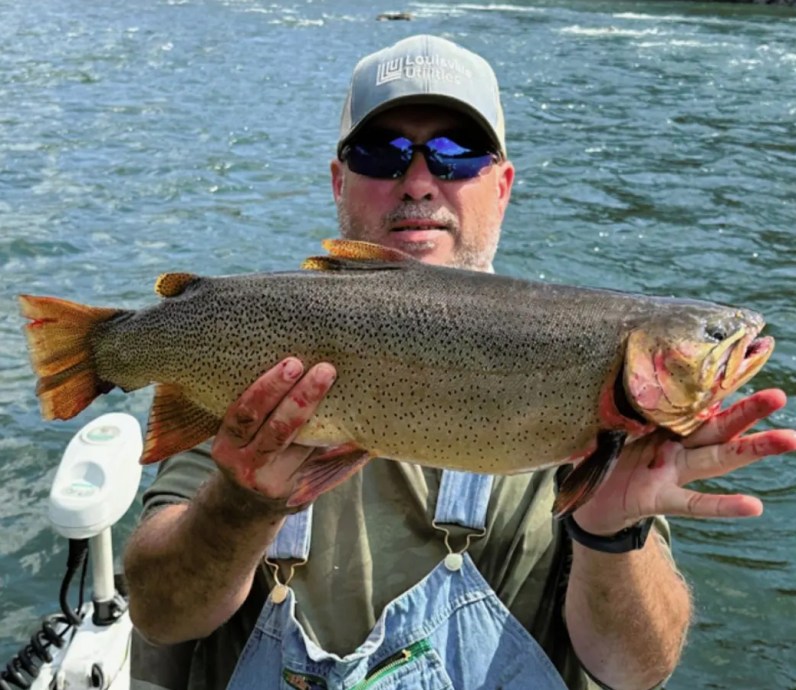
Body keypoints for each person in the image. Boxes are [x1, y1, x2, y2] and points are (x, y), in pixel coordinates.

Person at [124, 35, 796, 690]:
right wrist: (240, 506)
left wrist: (612, 531)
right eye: (383, 153)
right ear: (338, 181)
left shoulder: (589, 382)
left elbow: (635, 673)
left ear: (502, 187)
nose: (419, 181)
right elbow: (159, 615)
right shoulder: (272, 349)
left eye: (456, 153)